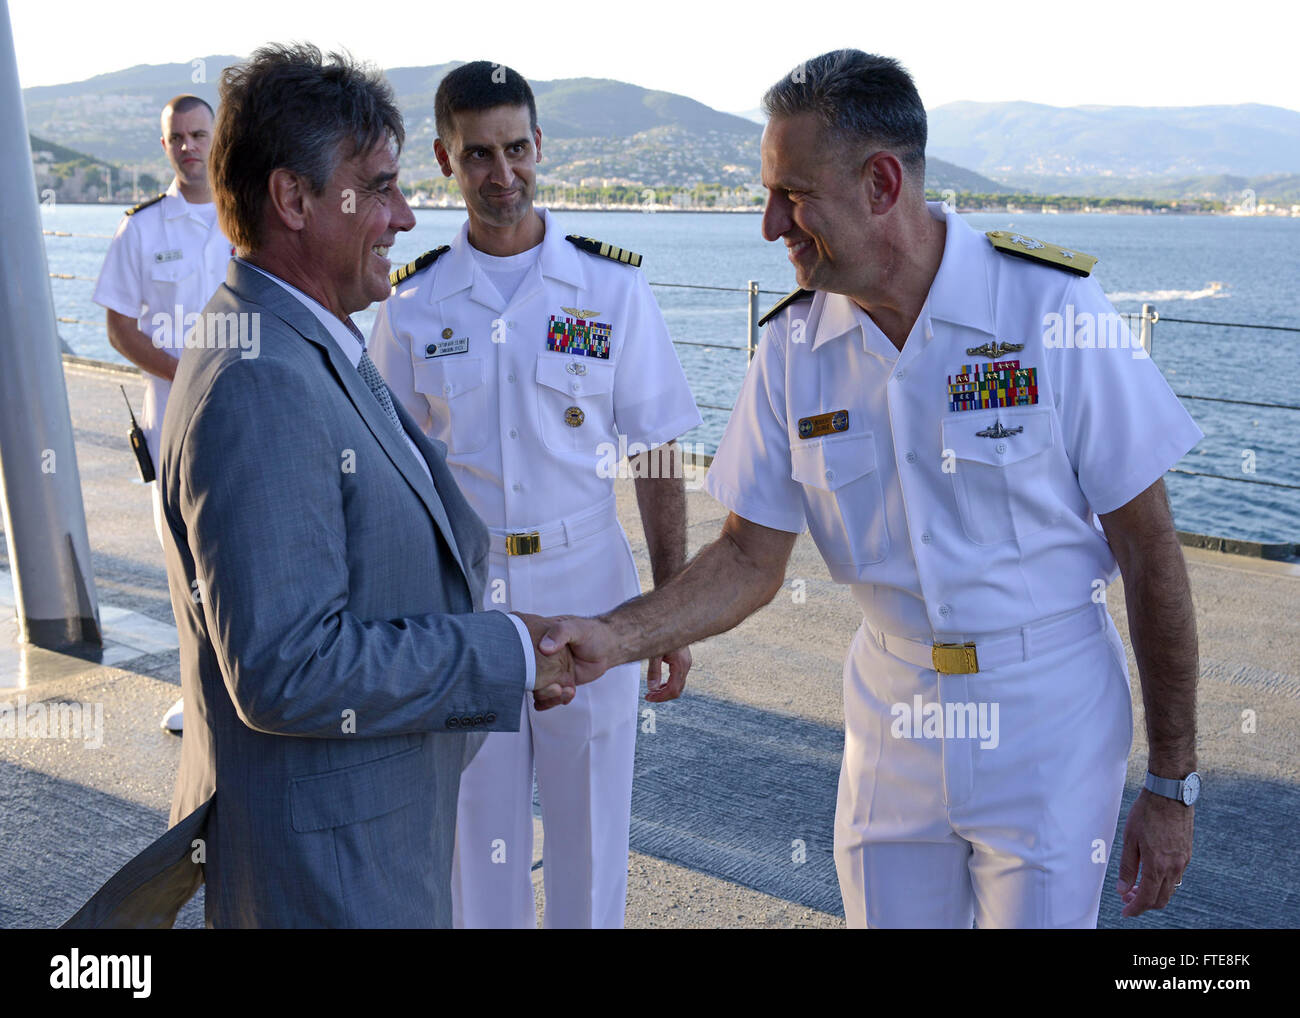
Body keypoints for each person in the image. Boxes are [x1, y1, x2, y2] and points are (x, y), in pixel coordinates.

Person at [540, 49, 1203, 929]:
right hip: (893, 717)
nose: (772, 221)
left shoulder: (1051, 313)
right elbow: (747, 554)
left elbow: (1150, 549)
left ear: (883, 182)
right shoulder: (792, 350)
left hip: (1047, 711)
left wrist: (1172, 782)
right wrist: (616, 636)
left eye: (795, 194)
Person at [64, 43, 598, 930]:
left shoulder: (300, 337)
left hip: (361, 848)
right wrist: (501, 650)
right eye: (380, 186)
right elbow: (287, 666)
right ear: (294, 198)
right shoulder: (259, 381)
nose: (401, 215)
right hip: (332, 876)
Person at [369, 61, 701, 929]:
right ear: (444, 159)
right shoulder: (412, 303)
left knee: (592, 835)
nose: (502, 173)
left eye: (516, 148)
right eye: (478, 154)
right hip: (468, 602)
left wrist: (665, 611)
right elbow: (388, 472)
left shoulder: (611, 288)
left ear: (541, 145)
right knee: (478, 842)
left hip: (591, 578)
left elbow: (658, 453)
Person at [92, 94, 231, 734]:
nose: (188, 146)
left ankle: (247, 690)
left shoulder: (247, 215)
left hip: (247, 414)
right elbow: (120, 325)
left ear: (217, 135)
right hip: (171, 418)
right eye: (176, 137)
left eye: (198, 134)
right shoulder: (142, 229)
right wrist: (183, 369)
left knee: (247, 549)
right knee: (183, 552)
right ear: (165, 145)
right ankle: (197, 695)